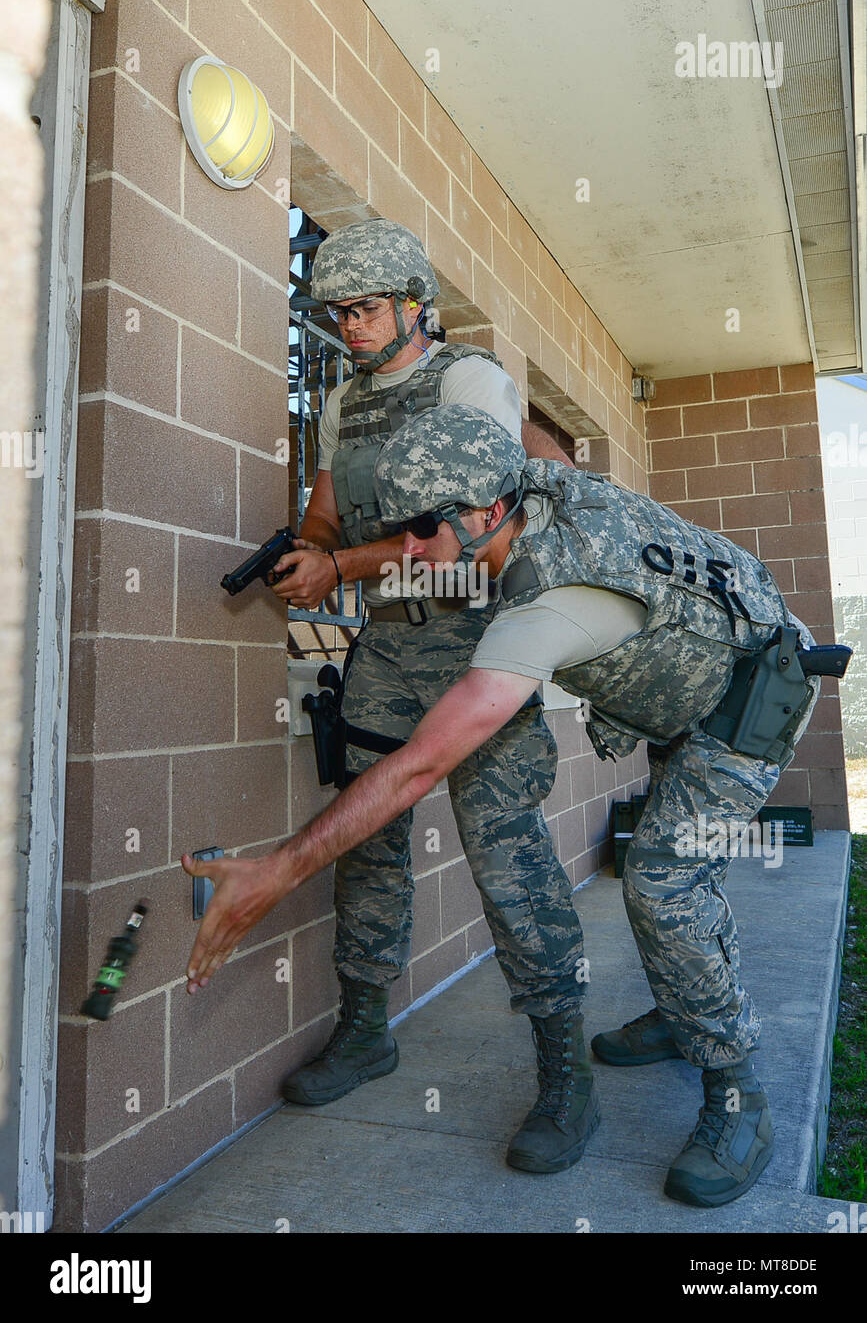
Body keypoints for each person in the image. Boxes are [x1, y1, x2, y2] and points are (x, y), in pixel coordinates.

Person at [183, 402, 836, 1205]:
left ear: (490, 512)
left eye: (424, 528)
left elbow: (421, 766)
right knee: (673, 883)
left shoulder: (544, 608)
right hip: (687, 669)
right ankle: (681, 1008)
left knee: (664, 883)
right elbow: (525, 444)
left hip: (753, 690)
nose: (410, 550)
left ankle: (739, 1096)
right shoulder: (533, 484)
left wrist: (277, 871)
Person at [231, 218, 597, 1175]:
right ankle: (365, 1030)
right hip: (391, 647)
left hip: (482, 641)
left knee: (503, 850)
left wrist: (342, 564)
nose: (348, 325)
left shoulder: (470, 383)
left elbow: (458, 525)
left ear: (411, 303)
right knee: (365, 839)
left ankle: (566, 1075)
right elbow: (322, 503)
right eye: (335, 311)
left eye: (364, 307)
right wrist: (309, 552)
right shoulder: (345, 400)